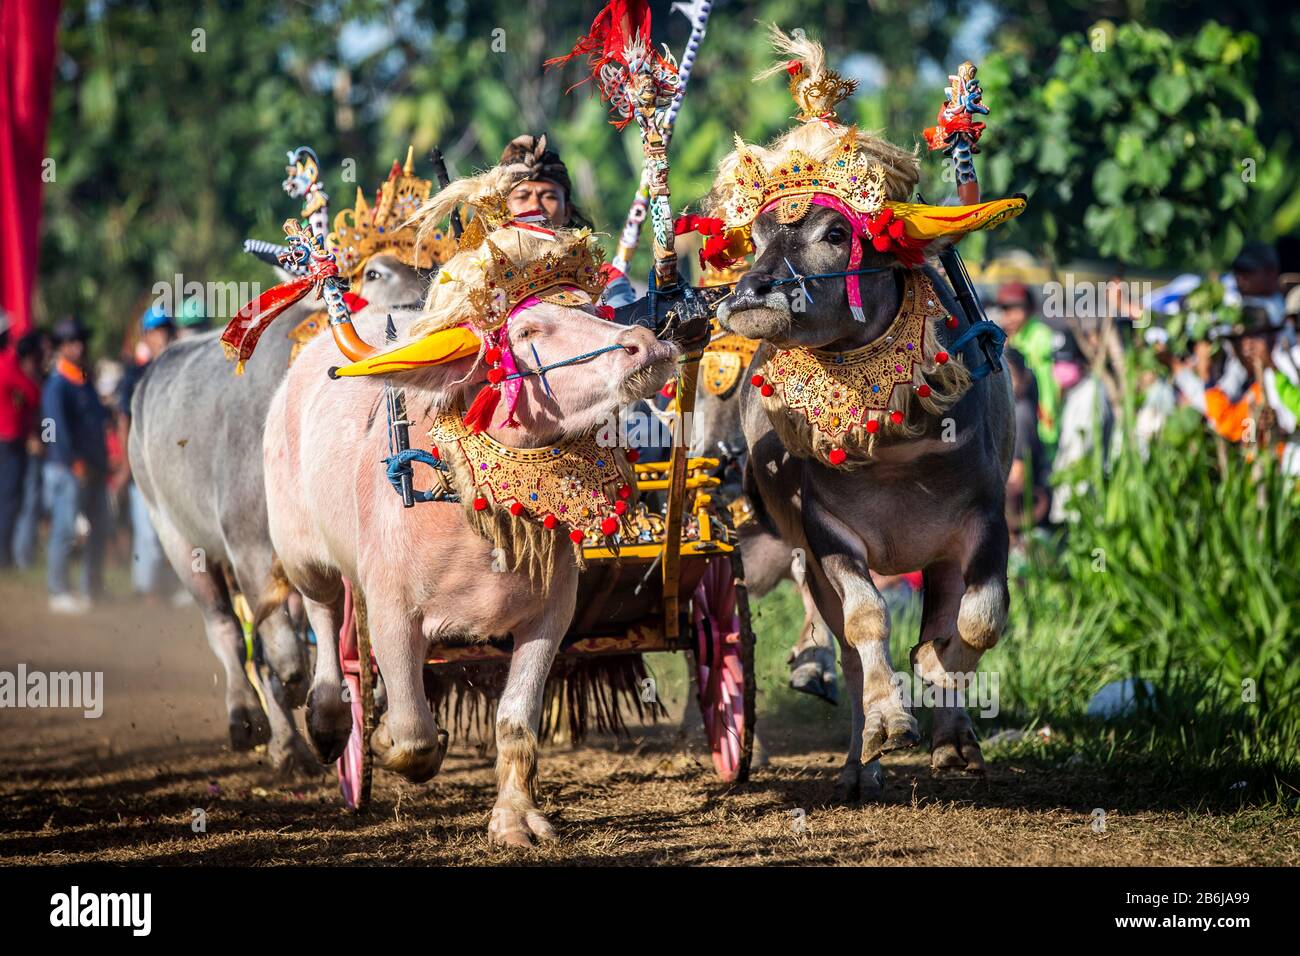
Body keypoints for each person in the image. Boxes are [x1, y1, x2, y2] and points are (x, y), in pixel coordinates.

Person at [498, 133, 637, 309]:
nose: (535, 206)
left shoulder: (604, 278)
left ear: (567, 212)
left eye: (549, 196)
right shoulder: (480, 280)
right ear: (502, 211)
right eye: (522, 196)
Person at [41, 317, 110, 613]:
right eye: (71, 341)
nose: (78, 346)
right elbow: (55, 429)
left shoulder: (84, 381)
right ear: (61, 347)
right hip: (69, 469)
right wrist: (75, 463)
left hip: (92, 469)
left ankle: (90, 589)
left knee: (98, 529)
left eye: (80, 340)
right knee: (66, 530)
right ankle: (58, 591)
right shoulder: (58, 385)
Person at [118, 306, 176, 597]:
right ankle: (146, 594)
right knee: (147, 535)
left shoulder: (181, 370)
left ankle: (177, 590)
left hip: (173, 470)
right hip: (142, 468)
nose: (161, 336)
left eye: (166, 330)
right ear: (147, 336)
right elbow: (123, 420)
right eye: (156, 331)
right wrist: (125, 464)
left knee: (177, 532)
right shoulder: (134, 375)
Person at [994, 282, 1059, 453]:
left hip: (1041, 406)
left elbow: (1042, 379)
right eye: (1006, 310)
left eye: (1016, 309)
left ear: (1029, 309)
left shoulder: (1040, 334)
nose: (1010, 316)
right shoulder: (1009, 336)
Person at [0, 310, 41, 568]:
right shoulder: (5, 363)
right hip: (9, 440)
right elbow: (33, 393)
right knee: (10, 498)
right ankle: (4, 557)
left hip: (9, 439)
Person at [11, 330, 49, 568]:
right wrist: (37, 439)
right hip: (25, 448)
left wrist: (49, 439)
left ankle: (25, 552)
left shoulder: (39, 378)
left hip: (37, 447)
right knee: (27, 501)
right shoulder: (23, 380)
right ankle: (22, 556)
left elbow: (48, 419)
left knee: (33, 502)